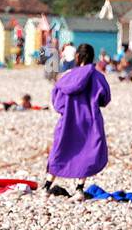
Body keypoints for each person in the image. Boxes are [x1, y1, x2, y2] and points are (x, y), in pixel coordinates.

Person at [44, 43, 111, 197]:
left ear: (77, 57)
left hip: (68, 119)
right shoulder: (98, 76)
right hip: (90, 119)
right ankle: (79, 188)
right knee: (87, 152)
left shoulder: (67, 76)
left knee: (60, 149)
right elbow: (105, 99)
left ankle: (47, 186)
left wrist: (67, 109)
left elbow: (57, 102)